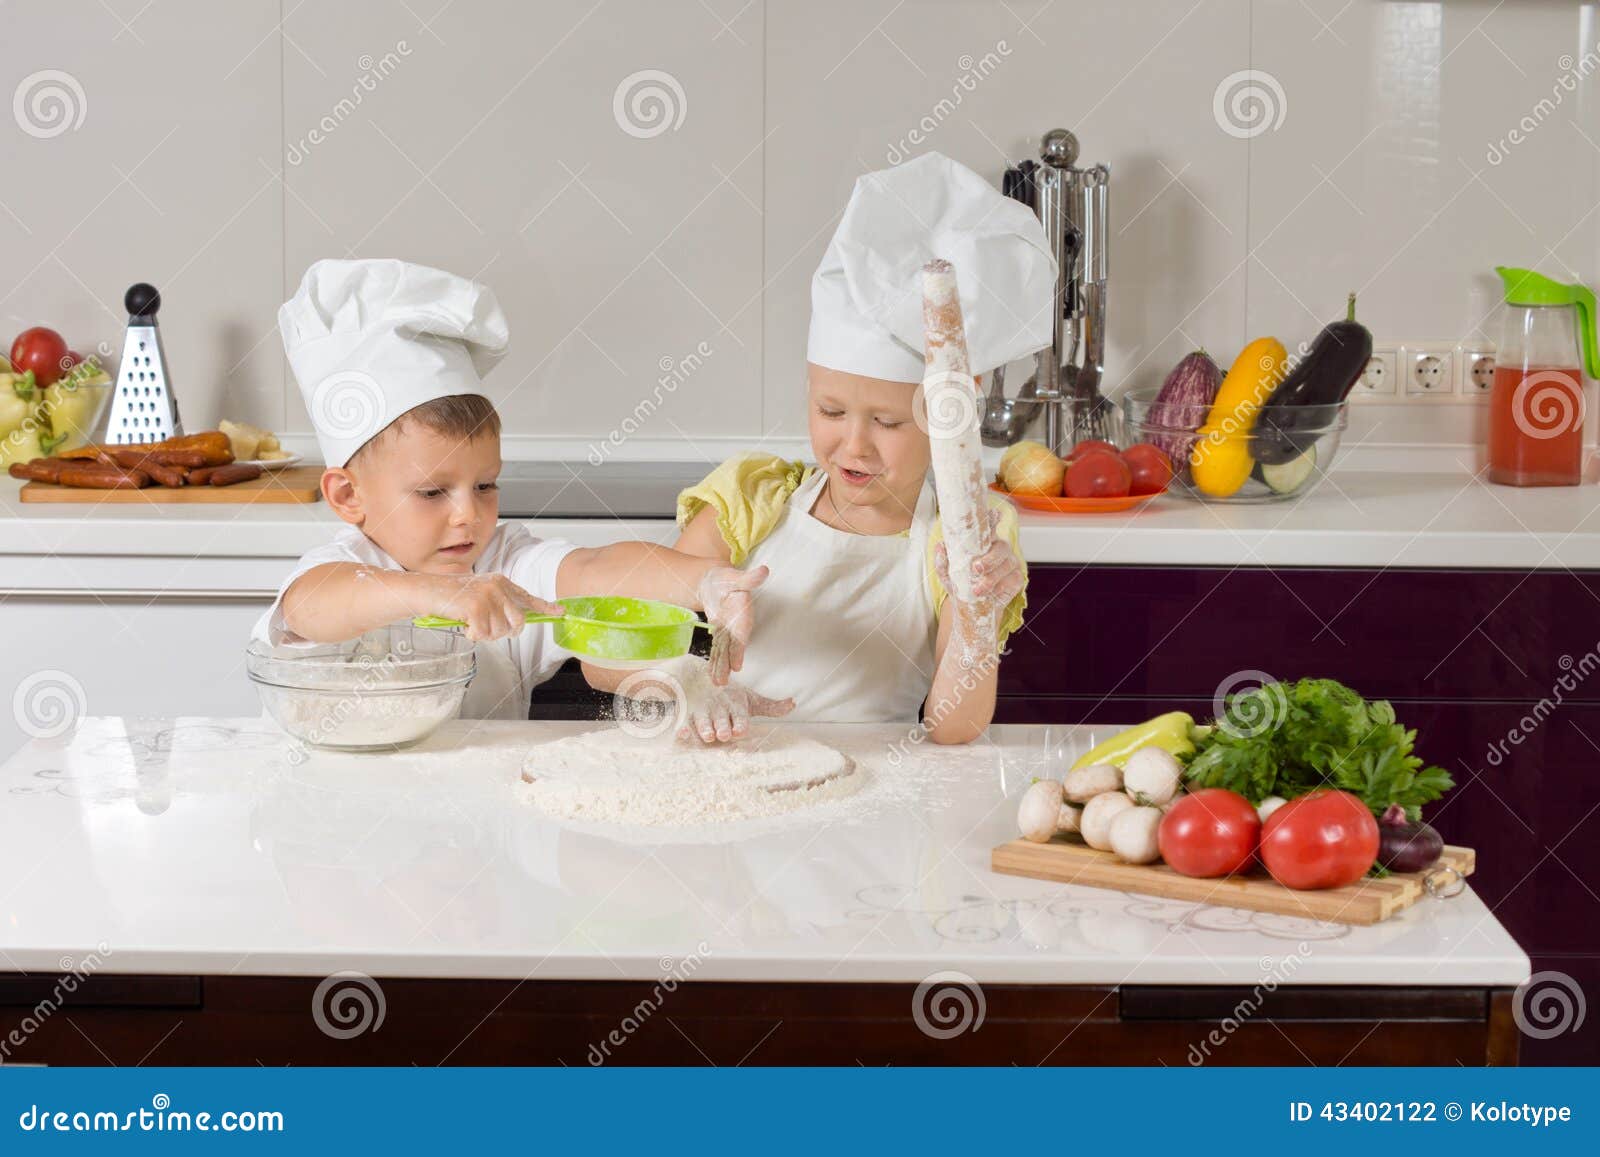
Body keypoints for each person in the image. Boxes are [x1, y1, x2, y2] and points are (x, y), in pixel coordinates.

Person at [584, 153, 1056, 744]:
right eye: (830, 411)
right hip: (725, 776)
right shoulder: (754, 499)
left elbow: (954, 727)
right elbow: (605, 659)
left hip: (871, 791)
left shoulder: (962, 536)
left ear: (954, 416)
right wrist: (683, 677)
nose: (853, 444)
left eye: (886, 421)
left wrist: (975, 618)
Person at [253, 258, 769, 724]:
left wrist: (704, 580)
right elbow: (309, 607)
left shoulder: (505, 564)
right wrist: (436, 592)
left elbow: (594, 570)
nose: (468, 515)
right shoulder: (340, 570)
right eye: (433, 493)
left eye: (485, 485)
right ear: (348, 496)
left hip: (482, 813)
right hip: (341, 808)